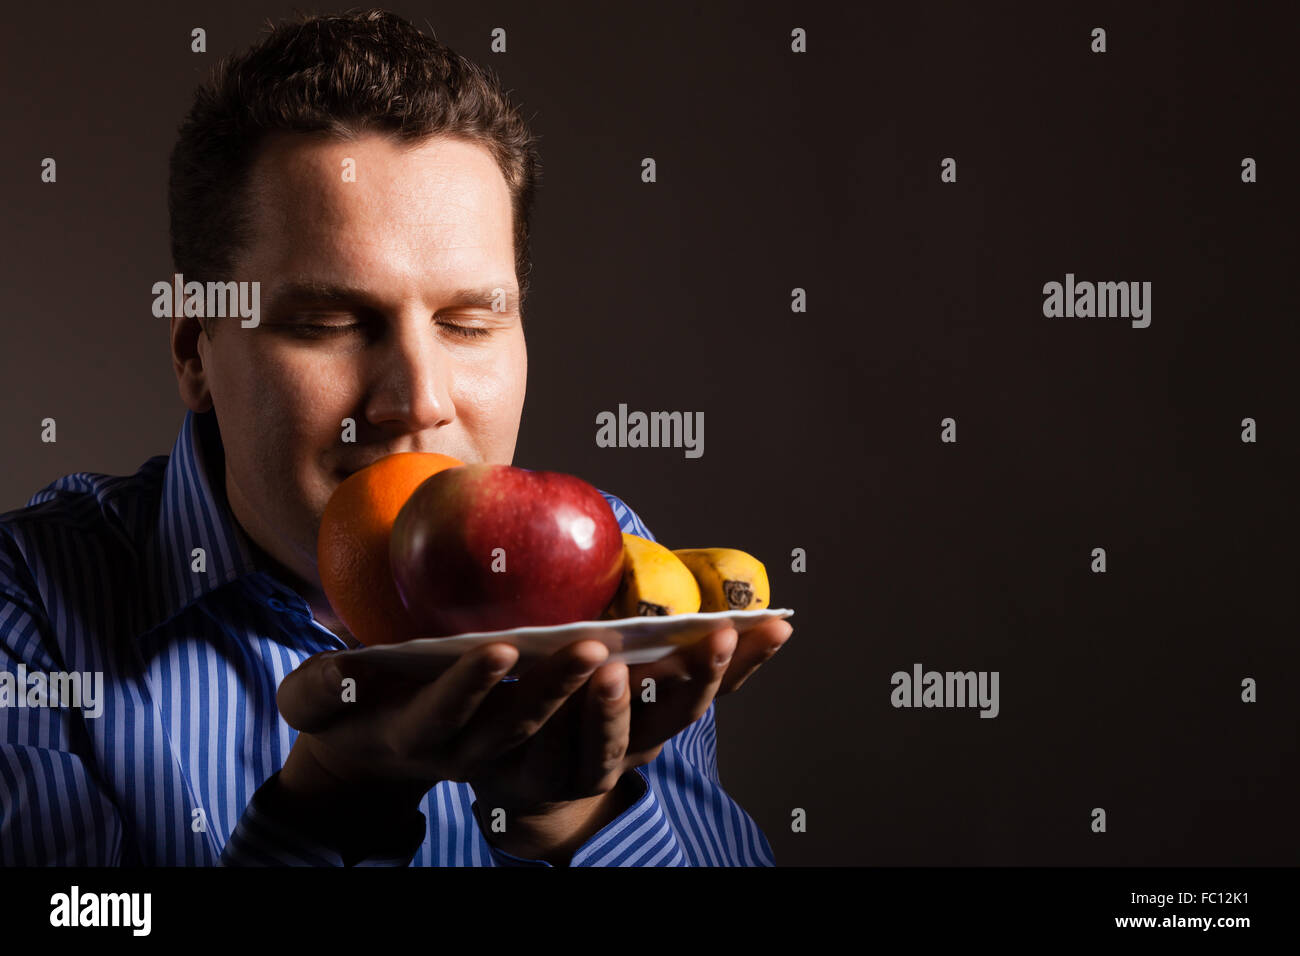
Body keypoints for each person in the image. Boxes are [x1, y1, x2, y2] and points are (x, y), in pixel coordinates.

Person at [0, 9, 791, 867]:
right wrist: (329, 807)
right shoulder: (32, 609)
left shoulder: (613, 569)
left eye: (467, 323)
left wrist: (573, 822)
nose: (418, 401)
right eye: (332, 321)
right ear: (197, 348)